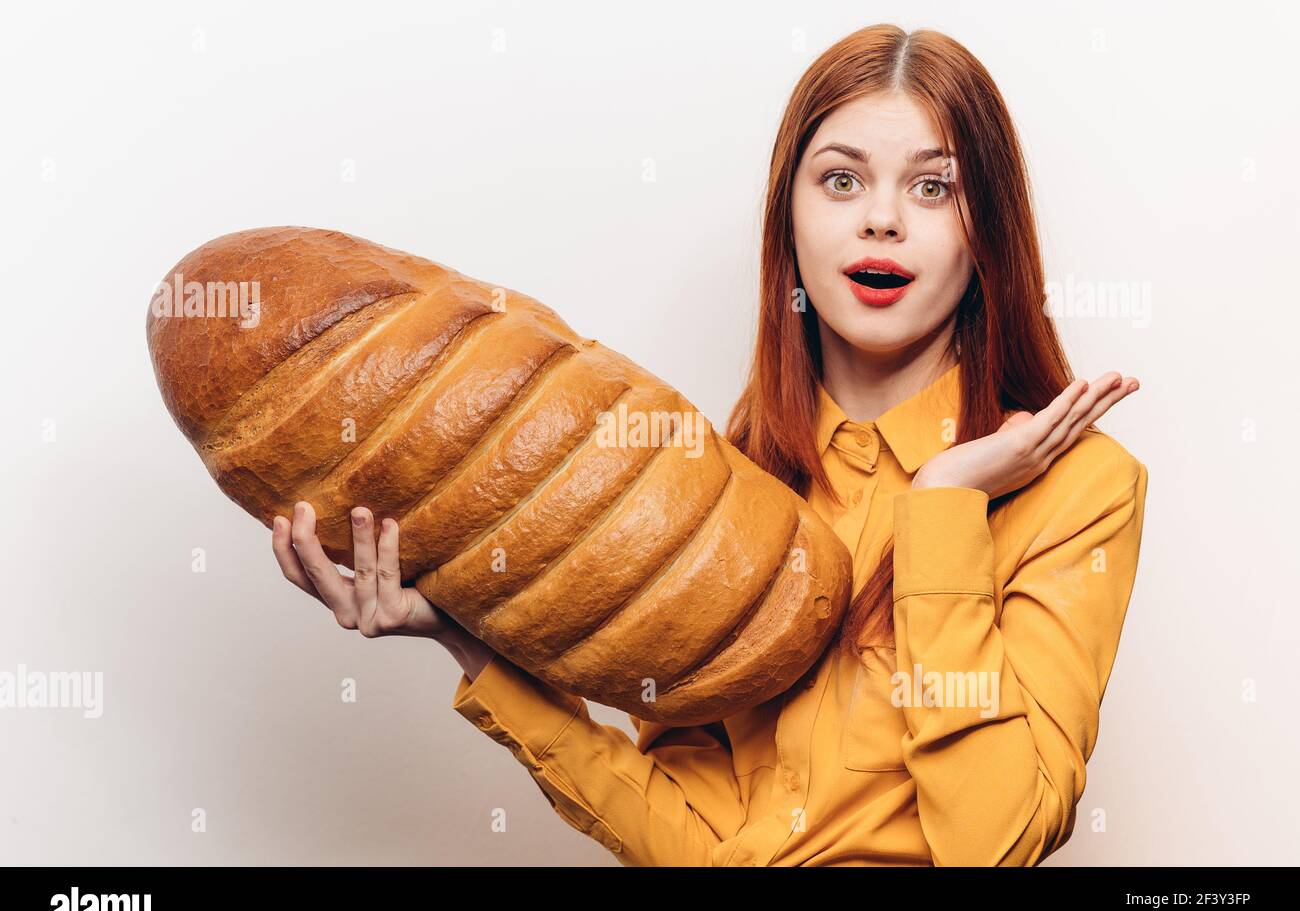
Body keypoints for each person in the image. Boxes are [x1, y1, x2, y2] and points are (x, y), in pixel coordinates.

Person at [270, 23, 1148, 866]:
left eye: (933, 187)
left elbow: (995, 842)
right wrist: (474, 646)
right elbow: (695, 843)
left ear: (986, 230)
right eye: (841, 180)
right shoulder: (723, 482)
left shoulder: (1080, 489)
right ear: (788, 221)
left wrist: (944, 506)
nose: (882, 219)